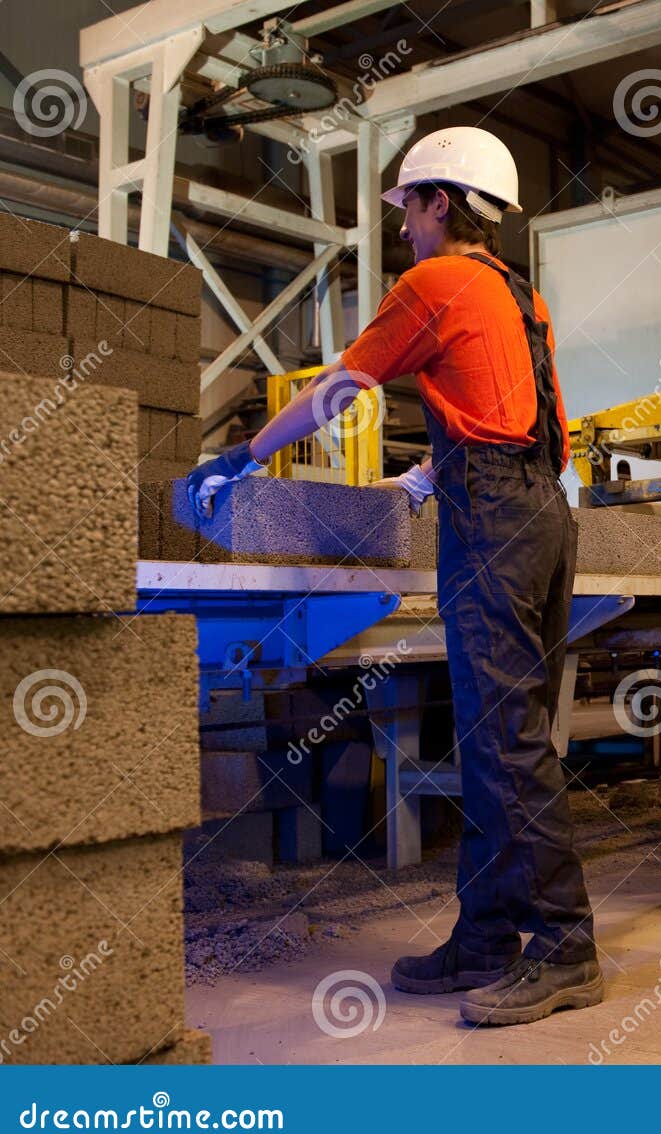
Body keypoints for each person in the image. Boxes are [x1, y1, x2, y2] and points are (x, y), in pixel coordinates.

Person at [185, 126, 602, 1028]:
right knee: (499, 735)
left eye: (408, 208)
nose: (403, 227)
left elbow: (343, 385)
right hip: (541, 513)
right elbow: (528, 425)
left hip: (494, 523)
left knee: (504, 742)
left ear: (439, 202)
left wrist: (243, 455)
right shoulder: (519, 294)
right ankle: (486, 937)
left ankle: (565, 944)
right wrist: (426, 476)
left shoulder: (434, 282)